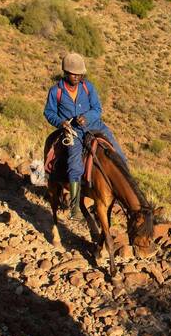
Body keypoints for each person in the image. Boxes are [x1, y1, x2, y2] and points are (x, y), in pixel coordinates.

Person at [43, 52, 126, 217]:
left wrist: (86, 117)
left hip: (96, 126)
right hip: (73, 132)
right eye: (73, 74)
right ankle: (74, 206)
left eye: (79, 74)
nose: (76, 77)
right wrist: (61, 123)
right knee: (74, 165)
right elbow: (49, 112)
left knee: (120, 157)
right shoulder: (56, 91)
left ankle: (125, 195)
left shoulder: (88, 88)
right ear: (65, 73)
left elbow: (97, 109)